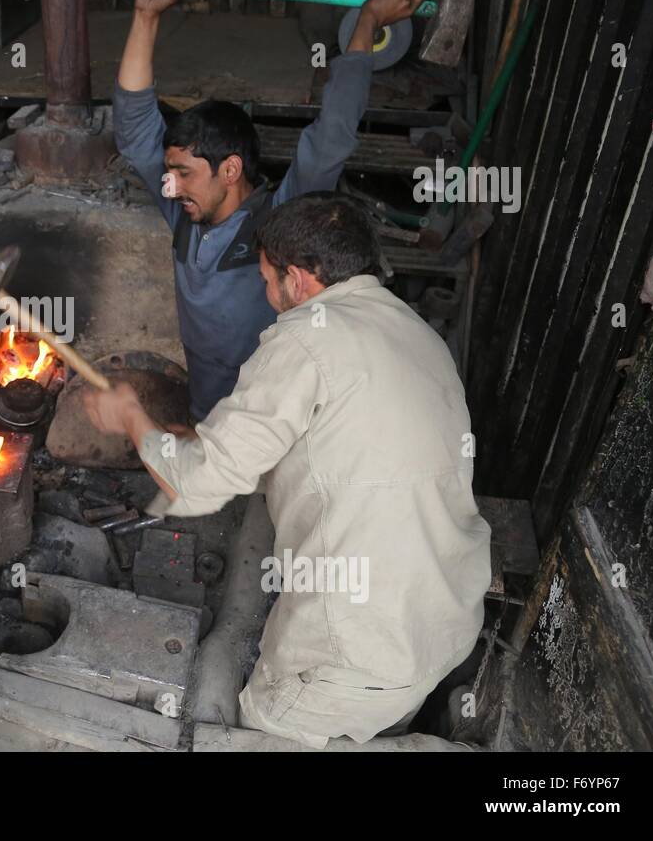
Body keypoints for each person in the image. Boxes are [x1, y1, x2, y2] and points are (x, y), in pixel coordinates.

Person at [84, 193, 490, 747]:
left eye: (267, 280)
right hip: (440, 625)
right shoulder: (417, 335)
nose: (268, 295)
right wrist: (194, 441)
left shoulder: (305, 336)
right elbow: (327, 442)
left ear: (298, 280)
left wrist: (130, 418)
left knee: (257, 733)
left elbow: (197, 486)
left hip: (353, 655)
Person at [115, 0, 426, 420]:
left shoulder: (282, 219)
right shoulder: (183, 209)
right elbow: (135, 128)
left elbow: (332, 136)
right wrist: (146, 15)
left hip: (270, 406)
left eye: (184, 172)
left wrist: (367, 23)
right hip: (207, 396)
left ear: (231, 169)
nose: (170, 184)